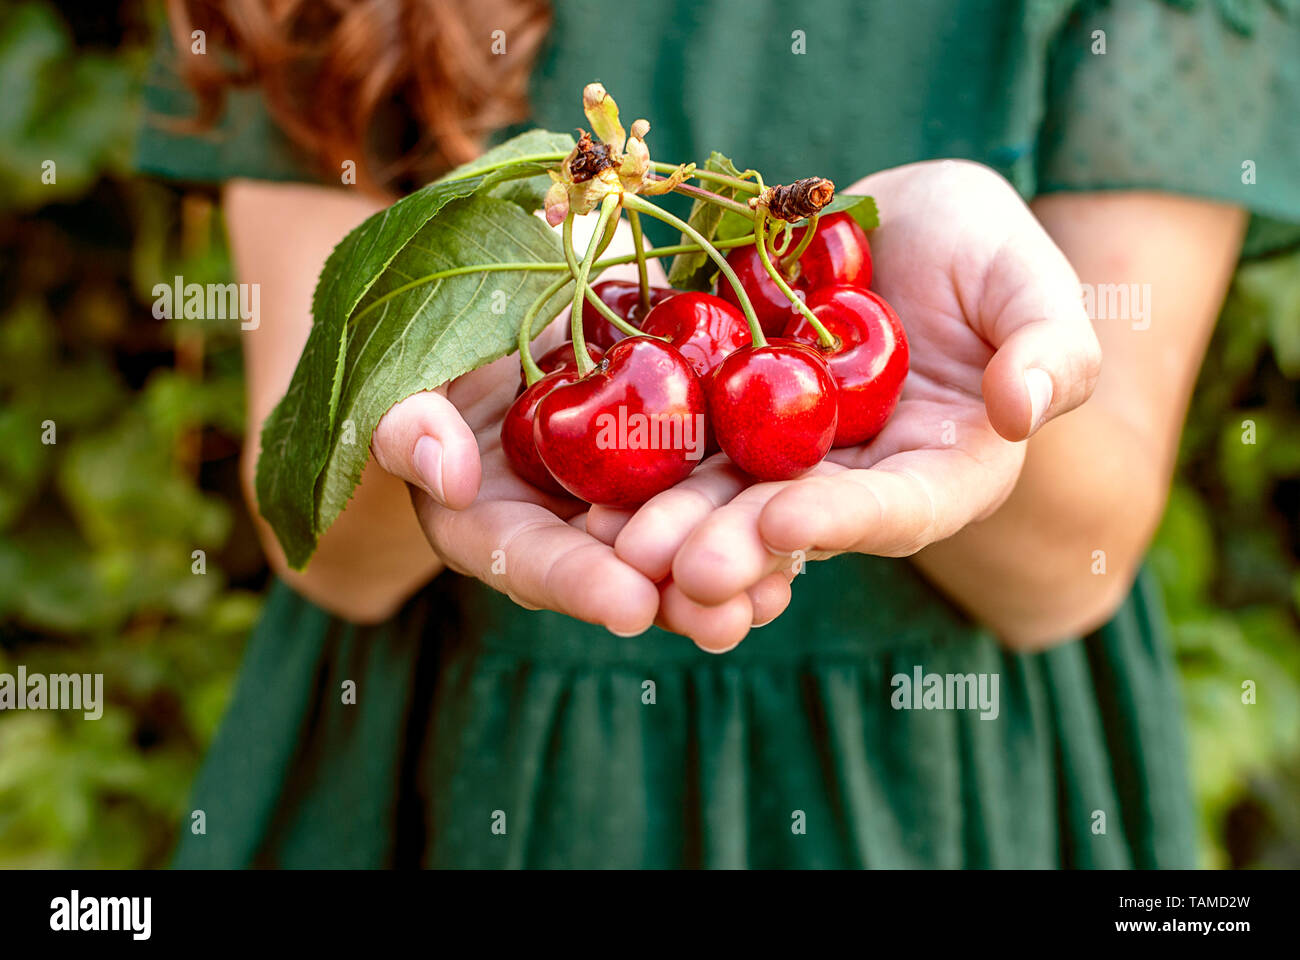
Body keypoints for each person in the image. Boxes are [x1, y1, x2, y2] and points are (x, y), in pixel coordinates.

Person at [137, 0, 1300, 867]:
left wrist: (978, 379)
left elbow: (1069, 574)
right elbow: (316, 530)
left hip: (933, 792)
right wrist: (452, 348)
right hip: (456, 772)